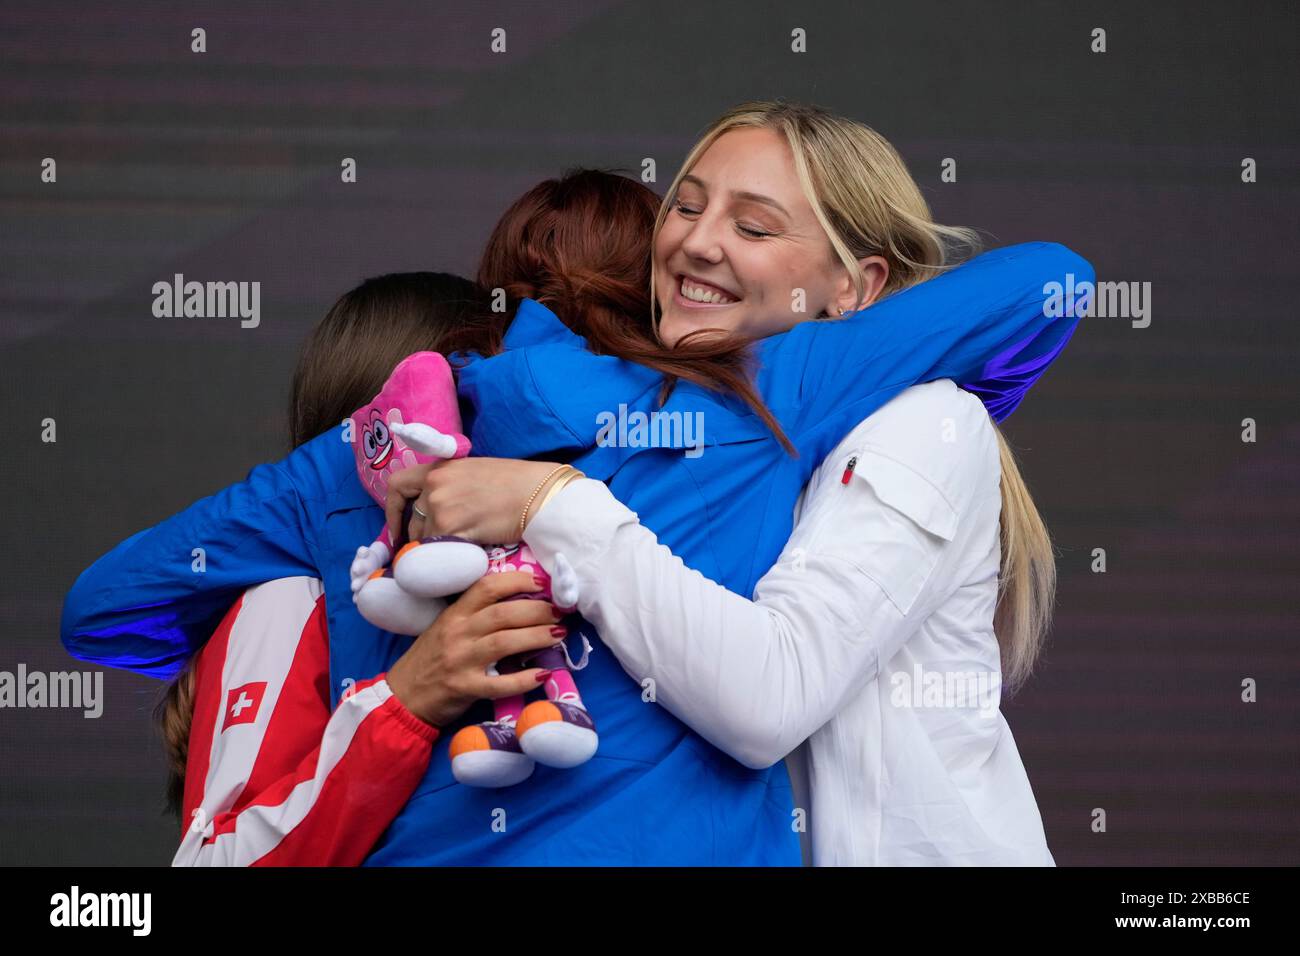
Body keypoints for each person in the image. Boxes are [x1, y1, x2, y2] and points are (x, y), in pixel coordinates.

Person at [63, 103, 1089, 865]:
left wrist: (340, 614)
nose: (700, 238)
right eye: (683, 208)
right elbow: (1050, 280)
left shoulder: (356, 462)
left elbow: (104, 606)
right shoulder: (763, 400)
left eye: (751, 222)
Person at [161, 274, 563, 865]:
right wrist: (407, 702)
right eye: (470, 403)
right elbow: (211, 861)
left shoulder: (473, 579)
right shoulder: (289, 600)